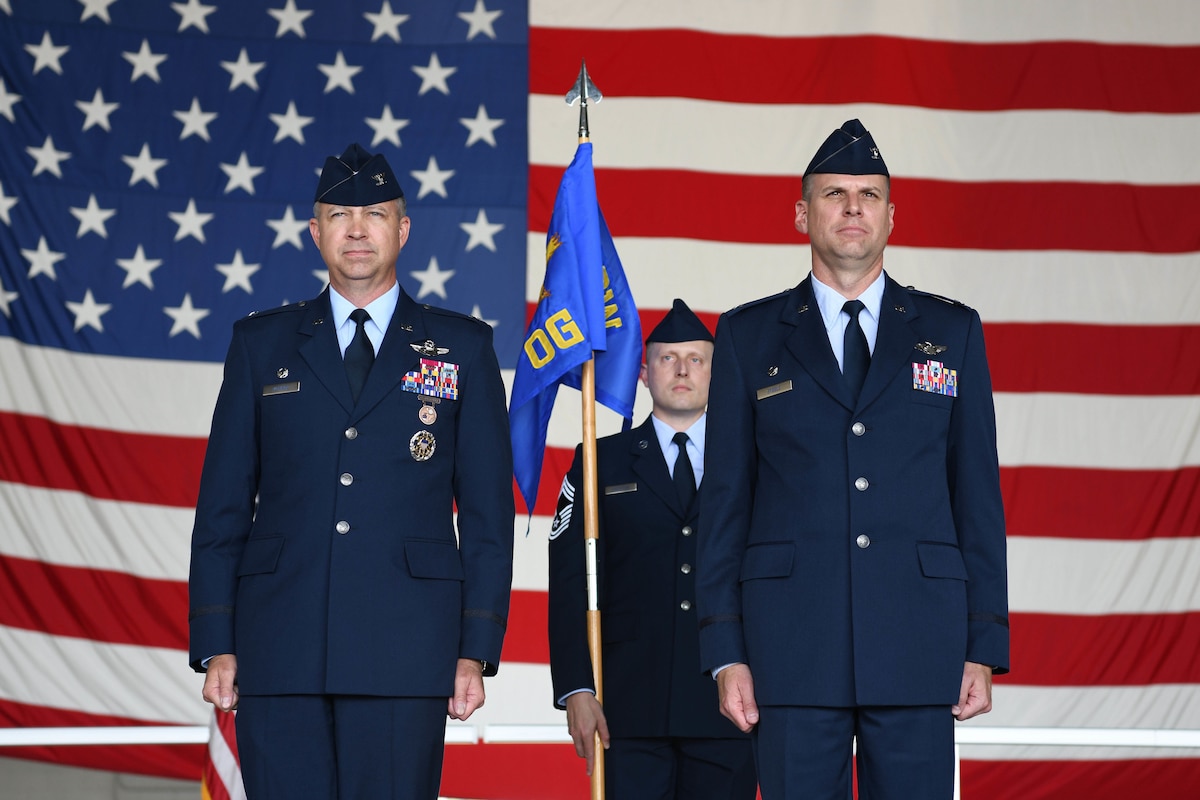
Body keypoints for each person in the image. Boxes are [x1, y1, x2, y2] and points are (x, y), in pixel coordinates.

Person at [188, 143, 515, 800]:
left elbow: (486, 516)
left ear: (404, 229)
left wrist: (473, 648)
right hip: (280, 644)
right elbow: (223, 506)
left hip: (407, 648)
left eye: (375, 214)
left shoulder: (463, 348)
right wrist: (216, 639)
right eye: (340, 215)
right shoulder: (261, 344)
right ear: (315, 232)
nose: (358, 230)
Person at [695, 119, 1009, 799]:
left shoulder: (951, 332)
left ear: (892, 216)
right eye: (835, 194)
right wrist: (725, 650)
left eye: (868, 194)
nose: (853, 207)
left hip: (919, 641)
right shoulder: (749, 335)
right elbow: (724, 501)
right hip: (791, 646)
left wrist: (983, 643)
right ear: (802, 213)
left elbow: (976, 496)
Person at [548, 299, 757, 799]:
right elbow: (569, 581)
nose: (682, 369)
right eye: (667, 358)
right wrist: (577, 688)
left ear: (718, 373)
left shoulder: (756, 460)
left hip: (728, 703)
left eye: (696, 359)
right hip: (628, 707)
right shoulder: (600, 461)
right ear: (644, 373)